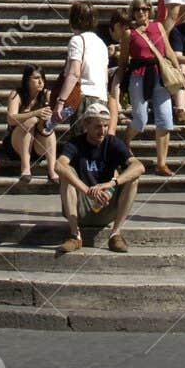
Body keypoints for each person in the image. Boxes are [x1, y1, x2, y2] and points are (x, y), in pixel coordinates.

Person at [54, 100, 145, 257]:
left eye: (105, 126)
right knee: (66, 173)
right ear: (86, 124)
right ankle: (75, 236)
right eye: (97, 126)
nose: (102, 131)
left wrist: (111, 183)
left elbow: (139, 166)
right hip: (81, 205)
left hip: (106, 201)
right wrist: (86, 190)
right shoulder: (75, 143)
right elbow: (59, 165)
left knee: (133, 177)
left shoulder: (113, 142)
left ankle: (115, 234)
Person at [117, 0, 181, 175]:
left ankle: (161, 164)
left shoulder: (158, 26)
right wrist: (118, 85)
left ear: (149, 10)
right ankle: (126, 141)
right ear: (133, 12)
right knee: (140, 119)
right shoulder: (129, 33)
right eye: (137, 9)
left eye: (144, 9)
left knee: (166, 118)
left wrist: (178, 70)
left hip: (160, 75)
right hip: (138, 76)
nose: (141, 12)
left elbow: (168, 51)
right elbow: (123, 61)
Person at [51, 1, 110, 127]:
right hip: (101, 98)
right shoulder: (102, 44)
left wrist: (61, 101)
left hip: (83, 97)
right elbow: (105, 79)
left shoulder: (77, 40)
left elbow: (74, 73)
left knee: (79, 141)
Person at [5, 66, 58, 185]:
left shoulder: (46, 94)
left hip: (38, 145)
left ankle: (51, 169)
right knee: (31, 120)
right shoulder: (16, 94)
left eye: (43, 79)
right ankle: (25, 167)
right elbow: (11, 119)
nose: (41, 82)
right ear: (27, 80)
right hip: (16, 144)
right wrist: (35, 113)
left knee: (48, 130)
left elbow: (52, 122)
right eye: (36, 78)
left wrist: (48, 119)